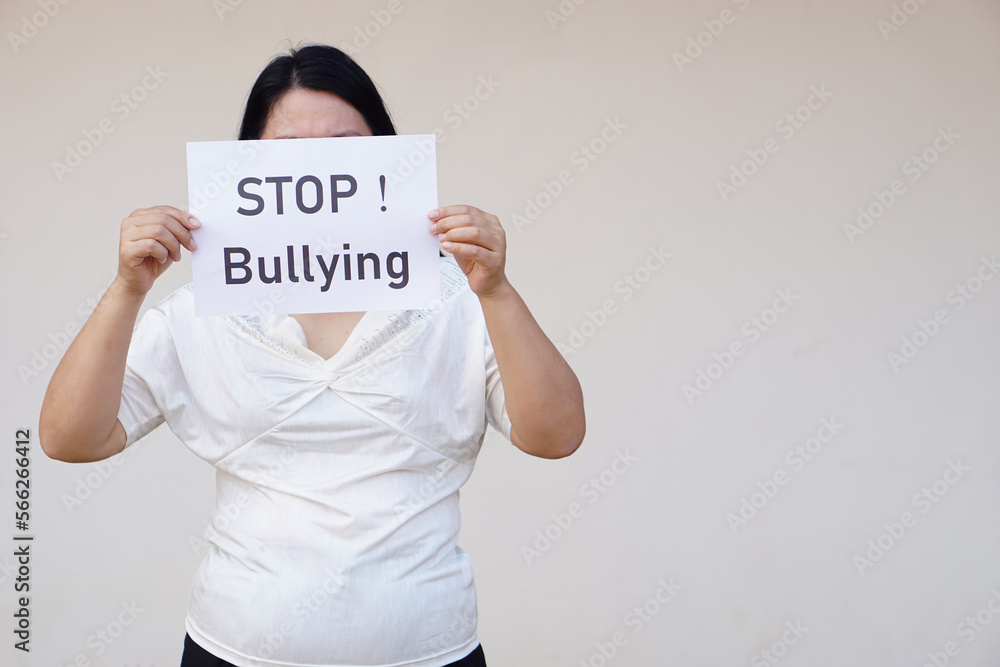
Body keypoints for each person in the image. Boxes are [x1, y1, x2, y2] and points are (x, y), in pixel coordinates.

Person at [39, 44, 585, 667]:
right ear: (247, 173)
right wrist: (126, 289)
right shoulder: (206, 309)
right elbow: (68, 438)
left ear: (388, 159)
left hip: (432, 653)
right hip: (234, 651)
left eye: (346, 147)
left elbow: (556, 435)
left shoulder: (461, 299)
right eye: (291, 150)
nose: (319, 173)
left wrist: (499, 290)